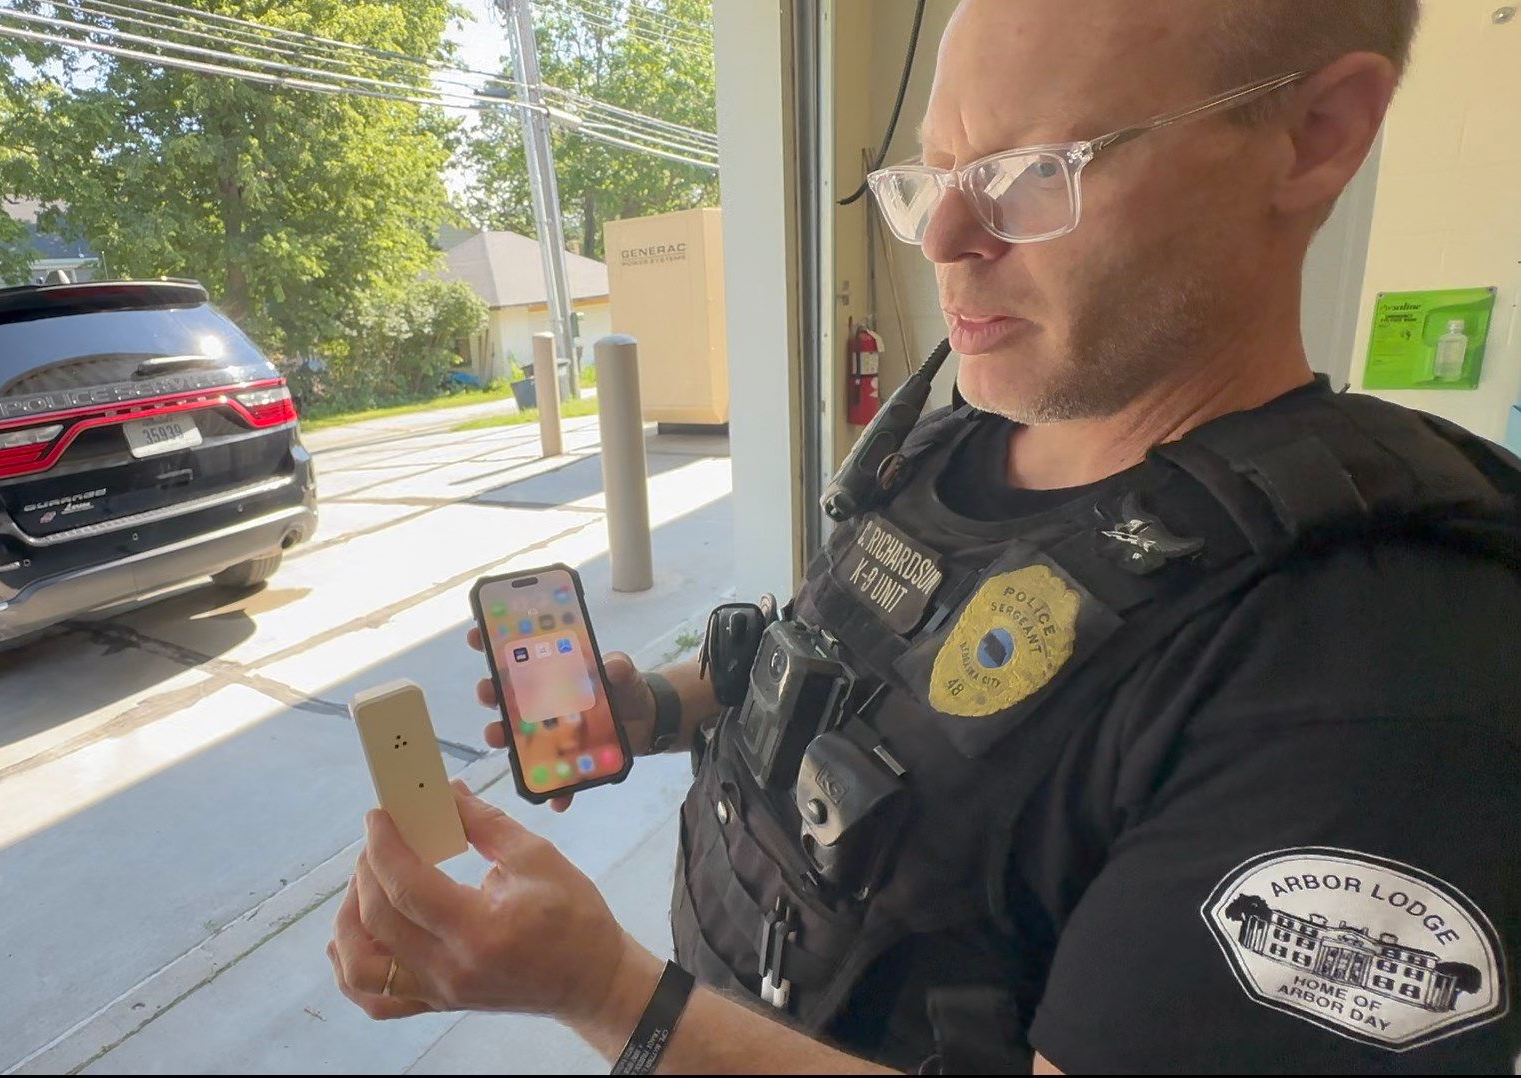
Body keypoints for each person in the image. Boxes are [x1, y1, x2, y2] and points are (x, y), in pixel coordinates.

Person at [328, 0, 1521, 1070]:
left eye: (1025, 170)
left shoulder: (1374, 675)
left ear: (1315, 135)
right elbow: (850, 668)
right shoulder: (960, 435)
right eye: (932, 172)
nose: (940, 236)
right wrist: (661, 708)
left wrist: (602, 995)